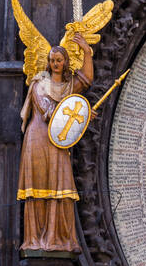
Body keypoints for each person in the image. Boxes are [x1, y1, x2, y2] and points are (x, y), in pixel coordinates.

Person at [18, 33, 92, 253]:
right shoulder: (40, 84)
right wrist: (79, 112)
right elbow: (47, 110)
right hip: (39, 137)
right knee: (39, 184)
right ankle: (34, 239)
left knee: (61, 184)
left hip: (58, 140)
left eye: (59, 60)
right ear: (48, 63)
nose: (55, 64)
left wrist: (87, 51)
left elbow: (87, 79)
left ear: (65, 62)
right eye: (52, 60)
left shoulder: (69, 86)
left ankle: (58, 237)